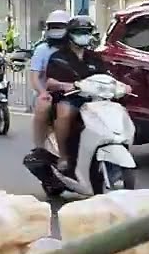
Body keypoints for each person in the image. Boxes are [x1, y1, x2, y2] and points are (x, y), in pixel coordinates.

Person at [45, 16, 124, 172]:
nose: (84, 36)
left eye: (86, 32)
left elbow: (108, 77)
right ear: (70, 34)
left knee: (119, 111)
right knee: (64, 113)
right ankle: (63, 156)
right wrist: (67, 85)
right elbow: (50, 82)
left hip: (96, 100)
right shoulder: (58, 57)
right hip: (71, 99)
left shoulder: (95, 57)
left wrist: (122, 86)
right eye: (80, 32)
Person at [28, 9, 69, 150]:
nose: (57, 30)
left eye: (60, 26)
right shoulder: (41, 50)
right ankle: (39, 148)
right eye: (53, 26)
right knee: (43, 107)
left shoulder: (74, 48)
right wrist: (42, 92)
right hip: (48, 93)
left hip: (72, 93)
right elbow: (34, 77)